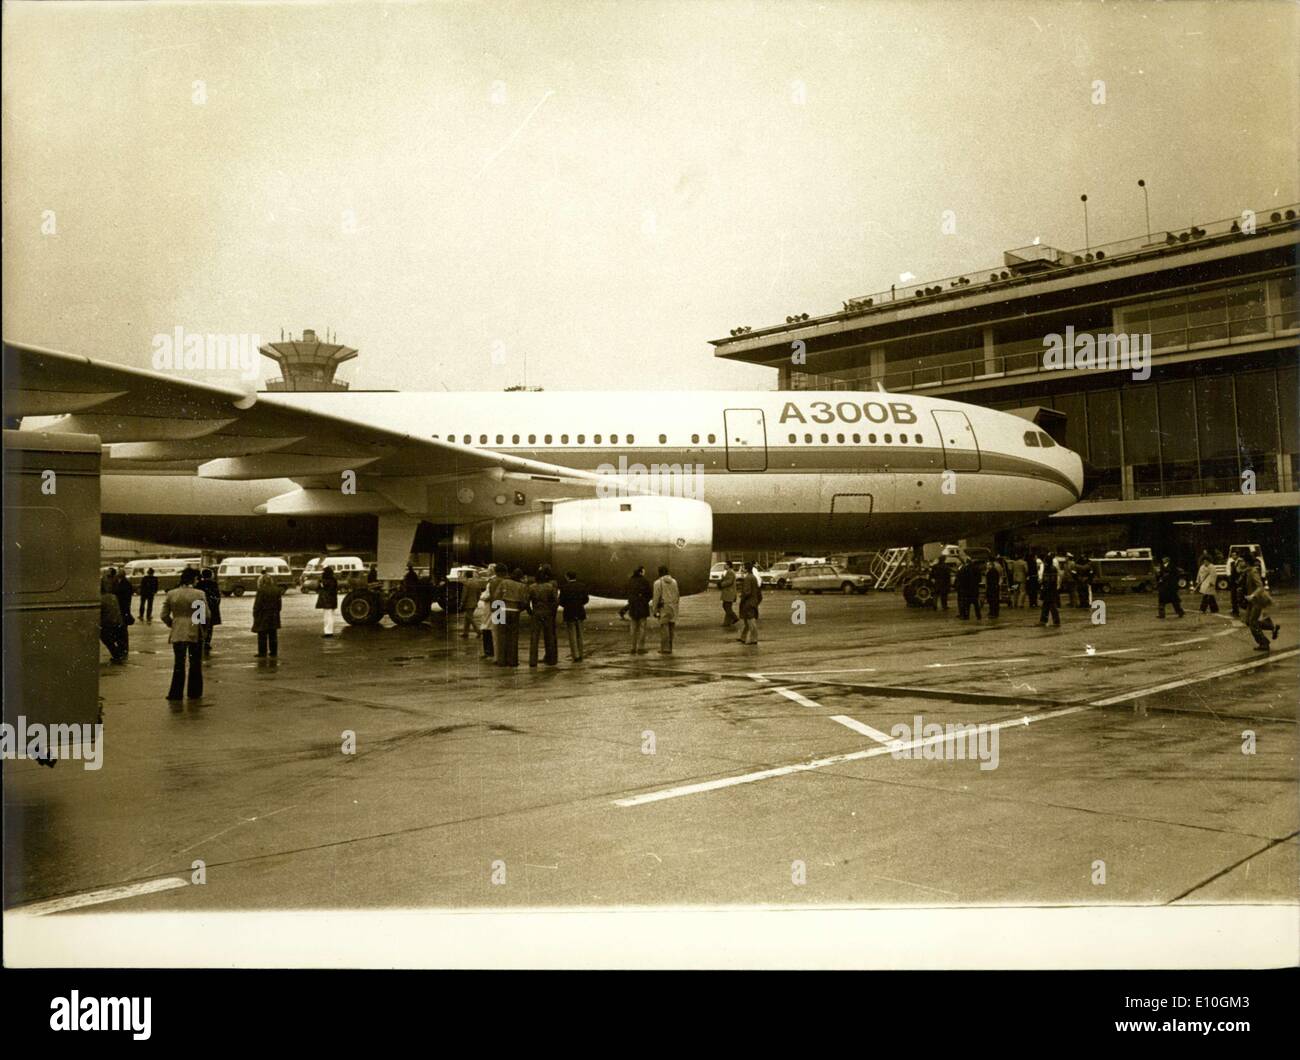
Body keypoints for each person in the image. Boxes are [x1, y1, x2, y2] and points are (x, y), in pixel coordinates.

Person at [160, 567, 206, 699]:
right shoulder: (199, 594)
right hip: (194, 630)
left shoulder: (171, 594)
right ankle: (194, 692)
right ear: (194, 579)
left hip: (178, 631)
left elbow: (163, 615)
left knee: (179, 663)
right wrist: (204, 629)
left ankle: (175, 693)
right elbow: (204, 615)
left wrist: (172, 623)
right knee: (195, 663)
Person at [1242, 558, 1280, 651]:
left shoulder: (1253, 572)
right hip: (1251, 601)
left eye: (1242, 561)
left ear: (1247, 562)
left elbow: (1260, 586)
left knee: (1252, 623)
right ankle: (1272, 627)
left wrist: (1252, 595)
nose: (1241, 562)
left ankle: (1264, 643)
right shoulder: (1248, 571)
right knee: (1248, 621)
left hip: (1257, 600)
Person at [527, 564, 560, 667]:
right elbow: (555, 601)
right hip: (547, 613)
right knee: (549, 637)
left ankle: (533, 661)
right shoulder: (550, 587)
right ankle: (551, 660)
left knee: (534, 638)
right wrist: (551, 610)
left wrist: (530, 611)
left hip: (536, 612)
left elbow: (526, 601)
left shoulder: (531, 587)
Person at [498, 568, 529, 666]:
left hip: (503, 610)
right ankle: (512, 661)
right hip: (515, 611)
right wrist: (520, 609)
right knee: (513, 636)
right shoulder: (522, 586)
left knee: (502, 635)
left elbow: (496, 596)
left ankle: (501, 661)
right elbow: (525, 601)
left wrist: (496, 612)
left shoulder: (504, 582)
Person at [559, 571, 590, 662]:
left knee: (572, 634)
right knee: (580, 634)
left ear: (567, 577)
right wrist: (580, 604)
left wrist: (567, 606)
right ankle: (581, 654)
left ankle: (575, 655)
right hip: (580, 611)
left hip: (569, 612)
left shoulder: (564, 587)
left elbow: (561, 601)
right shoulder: (582, 586)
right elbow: (586, 599)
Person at [251, 570, 283, 658]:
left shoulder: (261, 590)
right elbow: (279, 605)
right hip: (274, 615)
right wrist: (276, 612)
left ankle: (262, 652)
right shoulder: (277, 590)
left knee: (262, 634)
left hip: (263, 614)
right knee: (273, 634)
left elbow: (258, 604)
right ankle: (273, 651)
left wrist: (255, 614)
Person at [652, 565, 681, 654]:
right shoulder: (674, 582)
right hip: (673, 607)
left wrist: (654, 609)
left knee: (664, 628)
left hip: (664, 607)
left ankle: (665, 648)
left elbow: (656, 597)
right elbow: (677, 595)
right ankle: (670, 647)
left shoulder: (658, 583)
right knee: (671, 627)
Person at [625, 565, 653, 654]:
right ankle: (641, 647)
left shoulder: (630, 581)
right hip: (642, 607)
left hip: (633, 607)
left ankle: (632, 647)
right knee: (642, 628)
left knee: (633, 628)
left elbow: (626, 592)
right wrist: (644, 601)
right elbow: (649, 594)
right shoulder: (644, 581)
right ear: (641, 572)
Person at [196, 567, 223, 654]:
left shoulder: (199, 584)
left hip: (200, 607)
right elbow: (218, 596)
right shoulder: (214, 584)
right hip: (212, 608)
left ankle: (200, 640)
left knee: (200, 625)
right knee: (210, 626)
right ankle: (207, 642)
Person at [99, 584, 127, 663]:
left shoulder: (100, 599)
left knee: (106, 639)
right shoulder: (113, 596)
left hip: (107, 623)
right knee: (117, 639)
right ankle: (120, 654)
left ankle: (117, 655)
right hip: (118, 621)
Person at [110, 568, 135, 656]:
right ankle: (123, 648)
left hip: (123, 609)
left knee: (122, 631)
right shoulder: (125, 583)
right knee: (122, 631)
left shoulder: (123, 584)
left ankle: (123, 648)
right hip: (124, 609)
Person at [738, 560, 762, 645]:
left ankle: (754, 639)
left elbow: (747, 592)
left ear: (745, 569)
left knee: (750, 621)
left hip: (748, 603)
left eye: (743, 567)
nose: (742, 569)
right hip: (753, 601)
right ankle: (743, 637)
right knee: (747, 621)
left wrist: (742, 597)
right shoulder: (753, 577)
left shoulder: (748, 578)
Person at [486, 564, 506, 664]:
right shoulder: (505, 582)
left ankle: (497, 657)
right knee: (504, 633)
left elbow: (490, 595)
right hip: (503, 607)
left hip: (495, 607)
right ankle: (504, 655)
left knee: (496, 634)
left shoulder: (492, 582)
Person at [459, 569, 486, 639]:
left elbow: (464, 595)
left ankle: (478, 631)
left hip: (468, 603)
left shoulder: (466, 583)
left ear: (466, 576)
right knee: (467, 618)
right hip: (474, 603)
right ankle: (465, 633)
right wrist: (476, 601)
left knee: (469, 618)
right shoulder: (476, 583)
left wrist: (462, 603)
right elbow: (479, 593)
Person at [1038, 557, 1061, 628]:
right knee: (1046, 606)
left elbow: (1051, 580)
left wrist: (1044, 585)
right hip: (1049, 590)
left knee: (1051, 606)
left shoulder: (1051, 569)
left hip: (1049, 590)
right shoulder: (1050, 568)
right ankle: (1044, 620)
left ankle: (1055, 621)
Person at [317, 565, 339, 636]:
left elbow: (321, 589)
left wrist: (320, 583)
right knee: (330, 616)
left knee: (327, 617)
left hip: (327, 601)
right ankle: (329, 631)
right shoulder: (333, 579)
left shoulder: (326, 581)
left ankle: (328, 632)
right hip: (332, 601)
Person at [718, 561, 739, 627]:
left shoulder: (730, 572)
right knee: (727, 606)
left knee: (726, 606)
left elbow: (729, 581)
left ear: (729, 565)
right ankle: (727, 623)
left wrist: (721, 584)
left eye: (725, 565)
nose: (724, 566)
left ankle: (735, 618)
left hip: (729, 593)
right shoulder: (728, 572)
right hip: (728, 592)